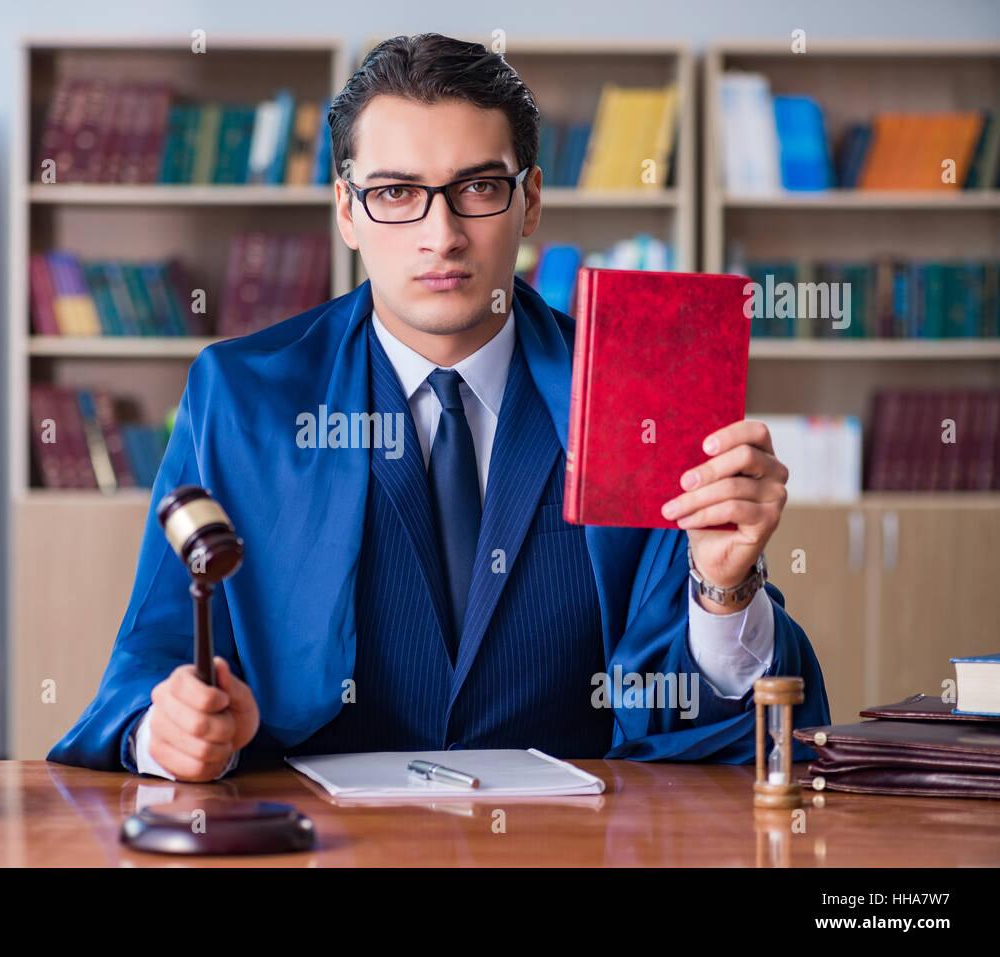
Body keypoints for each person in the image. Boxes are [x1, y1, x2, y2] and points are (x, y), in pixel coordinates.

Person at [47, 33, 830, 781]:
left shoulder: (642, 388)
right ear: (348, 211)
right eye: (395, 193)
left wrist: (724, 590)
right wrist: (170, 731)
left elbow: (719, 725)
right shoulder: (241, 396)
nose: (441, 234)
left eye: (479, 188)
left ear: (530, 204)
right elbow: (148, 663)